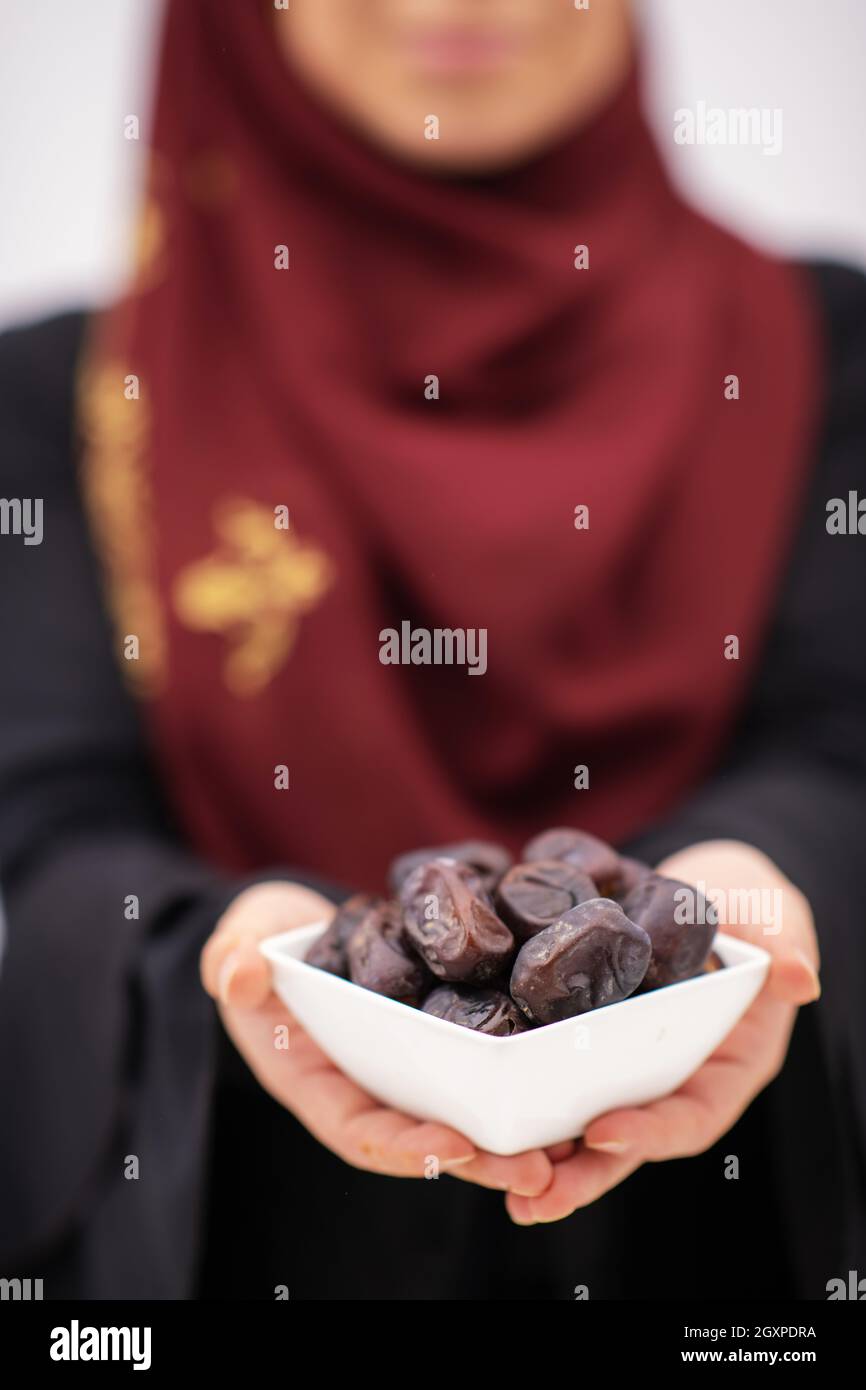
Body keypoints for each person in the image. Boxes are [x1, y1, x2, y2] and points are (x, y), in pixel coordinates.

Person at [0, 0, 864, 1301]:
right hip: (228, 1228)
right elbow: (51, 831)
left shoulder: (825, 349)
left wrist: (740, 893)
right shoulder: (59, 393)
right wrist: (237, 953)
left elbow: (843, 743)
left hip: (721, 1257)